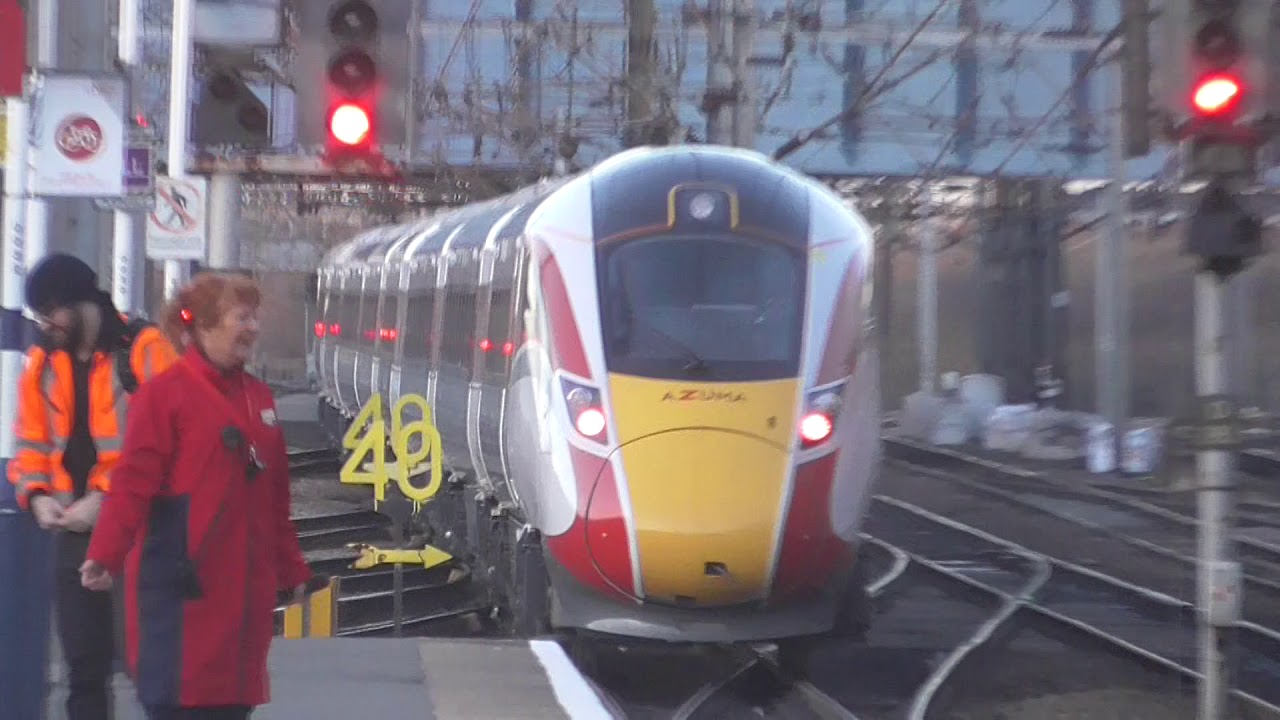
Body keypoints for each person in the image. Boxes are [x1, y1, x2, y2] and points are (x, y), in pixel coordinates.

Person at [79, 271, 316, 720]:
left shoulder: (258, 399)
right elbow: (132, 484)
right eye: (241, 317)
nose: (253, 328)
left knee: (231, 706)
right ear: (203, 326)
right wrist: (104, 556)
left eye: (254, 317)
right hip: (181, 603)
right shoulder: (163, 397)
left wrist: (293, 570)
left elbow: (274, 501)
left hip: (242, 609)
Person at [8, 252, 178, 720]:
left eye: (51, 312)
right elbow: (29, 441)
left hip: (140, 534)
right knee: (83, 671)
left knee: (155, 672)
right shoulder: (42, 362)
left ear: (80, 303)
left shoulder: (145, 349)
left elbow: (171, 444)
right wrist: (38, 496)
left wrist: (106, 500)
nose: (46, 324)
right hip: (74, 536)